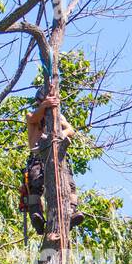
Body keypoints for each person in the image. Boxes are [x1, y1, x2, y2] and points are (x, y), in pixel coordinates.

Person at [19, 85, 84, 236]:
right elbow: (34, 117)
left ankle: (71, 211)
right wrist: (45, 105)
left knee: (70, 185)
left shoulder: (58, 117)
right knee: (35, 186)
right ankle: (37, 217)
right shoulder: (32, 116)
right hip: (38, 158)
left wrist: (60, 134)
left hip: (57, 157)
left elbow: (71, 130)